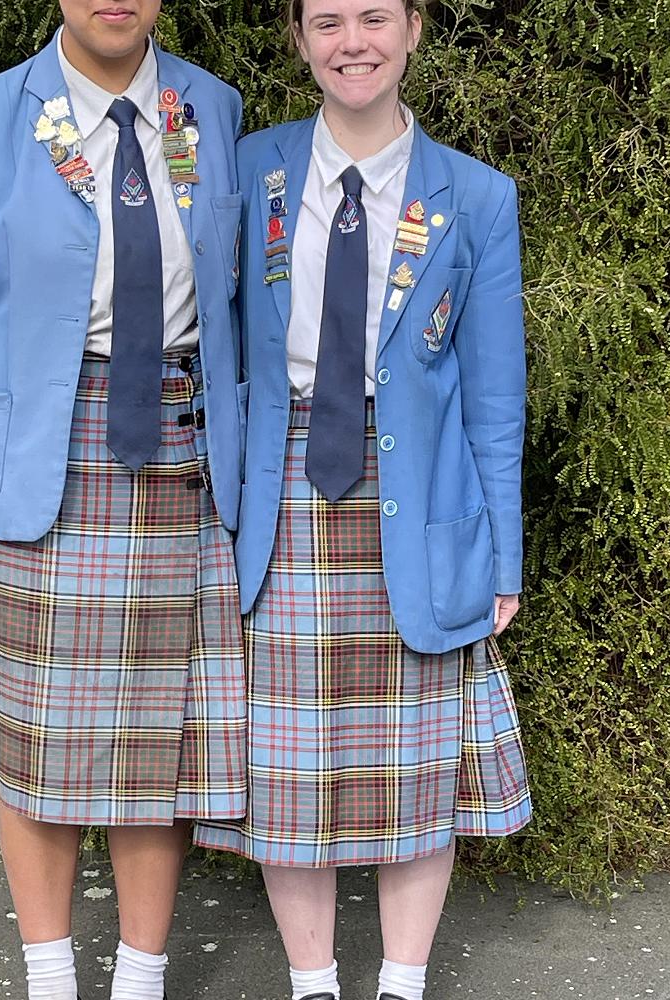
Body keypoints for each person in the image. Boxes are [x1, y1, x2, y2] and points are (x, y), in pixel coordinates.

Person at [0, 3, 249, 998]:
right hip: (37, 472)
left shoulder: (210, 109)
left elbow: (234, 309)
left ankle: (139, 980)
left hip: (183, 456)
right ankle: (51, 981)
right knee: (38, 743)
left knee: (160, 748)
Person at [194, 2, 532, 999]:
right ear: (299, 40)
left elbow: (496, 395)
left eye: (374, 16)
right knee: (289, 767)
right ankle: (312, 985)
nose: (354, 41)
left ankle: (400, 984)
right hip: (282, 499)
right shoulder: (249, 171)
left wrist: (501, 555)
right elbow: (212, 341)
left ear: (414, 29)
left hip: (416, 501)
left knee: (413, 766)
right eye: (328, 20)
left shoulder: (476, 198)